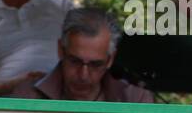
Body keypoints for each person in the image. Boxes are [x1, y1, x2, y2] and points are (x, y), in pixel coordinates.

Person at [12, 7, 154, 103]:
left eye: (95, 64)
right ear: (60, 50)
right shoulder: (27, 98)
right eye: (75, 61)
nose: (83, 75)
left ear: (110, 59)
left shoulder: (135, 100)